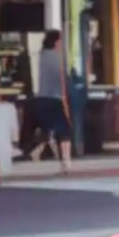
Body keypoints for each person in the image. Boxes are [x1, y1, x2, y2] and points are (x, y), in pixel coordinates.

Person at [28, 30, 72, 173]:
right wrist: (65, 98)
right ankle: (66, 161)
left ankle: (37, 150)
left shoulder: (41, 56)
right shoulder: (58, 57)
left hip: (41, 97)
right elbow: (62, 78)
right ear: (56, 42)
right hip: (55, 97)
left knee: (49, 129)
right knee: (64, 130)